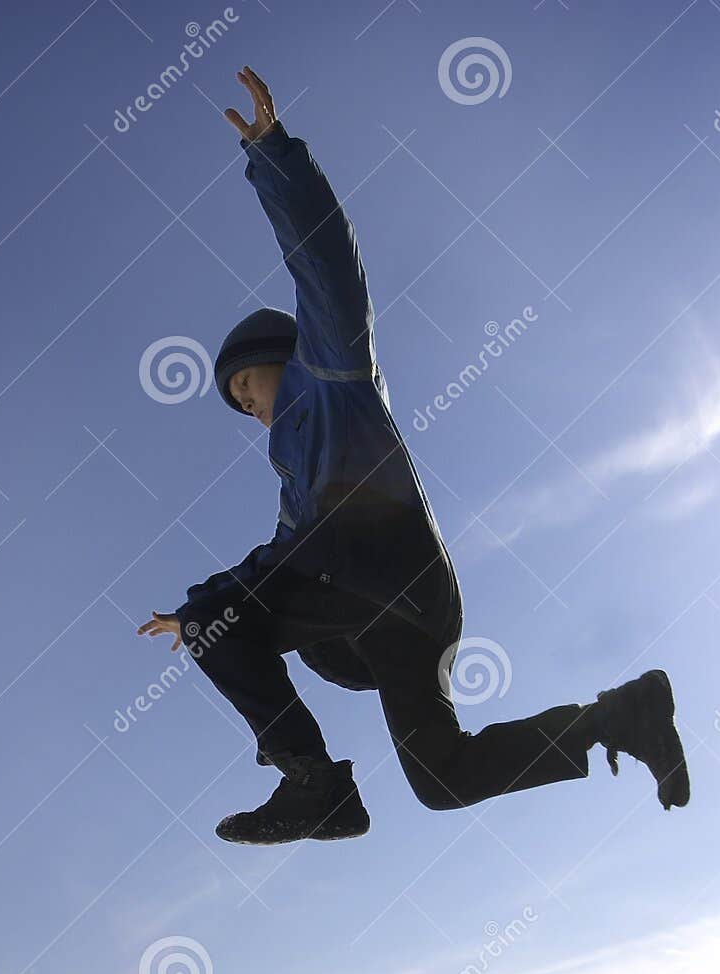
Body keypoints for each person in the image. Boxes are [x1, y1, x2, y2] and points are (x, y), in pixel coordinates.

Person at [140, 66, 690, 845]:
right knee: (442, 779)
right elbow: (284, 551)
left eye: (243, 384)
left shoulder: (331, 376)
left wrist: (275, 157)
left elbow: (326, 268)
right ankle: (617, 717)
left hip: (380, 577)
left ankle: (313, 782)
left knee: (216, 614)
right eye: (236, 402)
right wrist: (211, 611)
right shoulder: (297, 473)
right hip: (403, 616)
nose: (245, 404)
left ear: (277, 356)